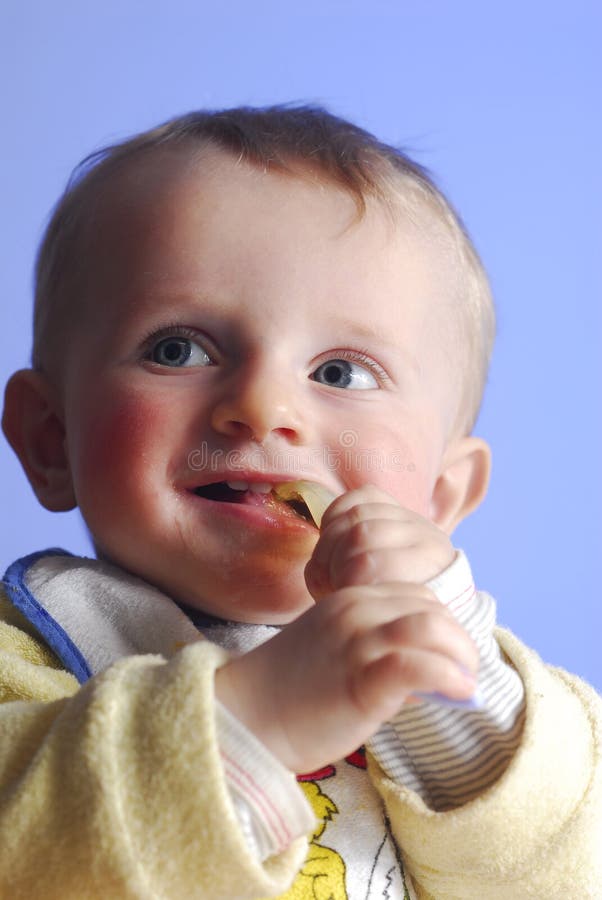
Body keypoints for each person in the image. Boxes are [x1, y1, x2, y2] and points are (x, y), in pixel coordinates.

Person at [0, 105, 599, 900]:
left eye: (341, 372)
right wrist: (253, 722)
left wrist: (455, 688)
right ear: (51, 441)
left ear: (443, 495)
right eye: (178, 348)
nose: (262, 403)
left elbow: (561, 871)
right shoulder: (27, 668)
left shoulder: (486, 695)